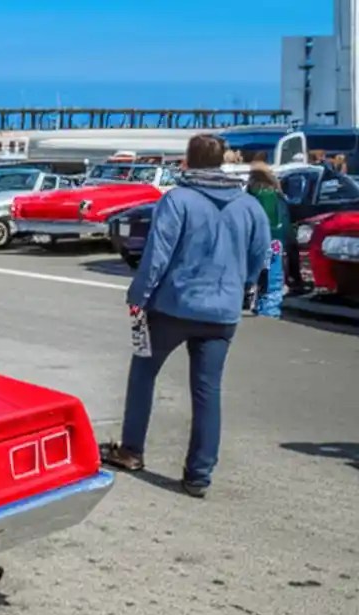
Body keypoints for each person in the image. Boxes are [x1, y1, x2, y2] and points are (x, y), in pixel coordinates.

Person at [101, 134, 271, 498]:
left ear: (188, 162)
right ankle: (199, 475)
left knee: (143, 372)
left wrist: (138, 296)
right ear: (222, 161)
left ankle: (132, 449)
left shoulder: (177, 200)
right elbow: (260, 255)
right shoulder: (248, 205)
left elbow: (157, 255)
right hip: (222, 313)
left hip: (173, 307)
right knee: (208, 391)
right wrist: (242, 286)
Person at [246, 164, 287, 319]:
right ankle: (270, 309)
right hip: (275, 240)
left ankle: (257, 304)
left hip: (256, 241)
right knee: (272, 277)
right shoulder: (276, 194)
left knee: (258, 274)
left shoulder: (251, 195)